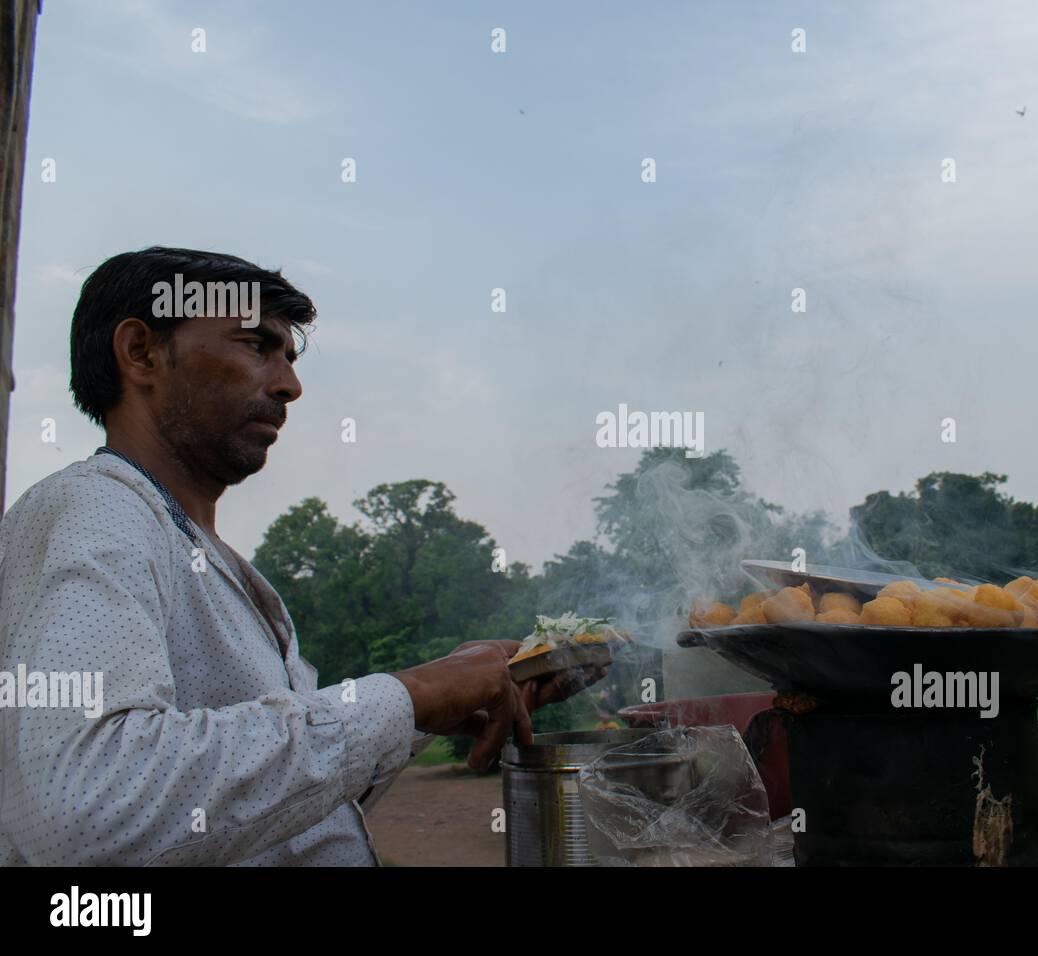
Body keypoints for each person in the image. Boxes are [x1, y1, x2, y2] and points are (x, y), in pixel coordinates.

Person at [0, 247, 600, 866]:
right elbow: (85, 809)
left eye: (288, 354)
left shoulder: (196, 547)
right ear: (141, 352)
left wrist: (432, 710)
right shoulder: (95, 510)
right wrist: (409, 694)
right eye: (255, 345)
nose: (290, 383)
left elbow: (273, 827)